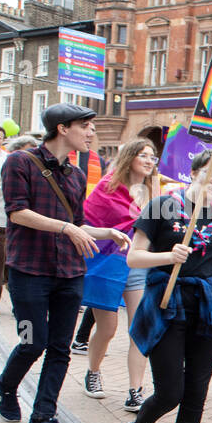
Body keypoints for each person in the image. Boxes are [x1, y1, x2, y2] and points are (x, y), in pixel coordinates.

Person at [0, 104, 130, 423]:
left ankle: (43, 415)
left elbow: (77, 223)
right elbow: (18, 213)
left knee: (60, 347)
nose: (91, 133)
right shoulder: (20, 162)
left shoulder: (76, 175)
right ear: (62, 128)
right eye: (86, 126)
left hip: (69, 271)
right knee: (32, 342)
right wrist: (67, 229)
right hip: (29, 269)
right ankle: (7, 385)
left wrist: (106, 232)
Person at [123, 150, 212, 423]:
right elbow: (134, 256)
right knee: (171, 391)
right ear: (193, 173)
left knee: (196, 394)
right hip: (167, 307)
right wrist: (167, 256)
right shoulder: (162, 206)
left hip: (207, 313)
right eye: (210, 174)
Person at [80, 138, 162, 408]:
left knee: (138, 328)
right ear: (130, 157)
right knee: (107, 327)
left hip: (138, 265)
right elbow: (85, 222)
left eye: (153, 157)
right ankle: (93, 372)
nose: (149, 161)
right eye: (144, 155)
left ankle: (134, 390)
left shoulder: (155, 191)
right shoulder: (107, 186)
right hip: (108, 264)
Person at [0, 134, 36, 315]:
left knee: (16, 267)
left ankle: (18, 303)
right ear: (14, 150)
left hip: (17, 225)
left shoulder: (31, 170)